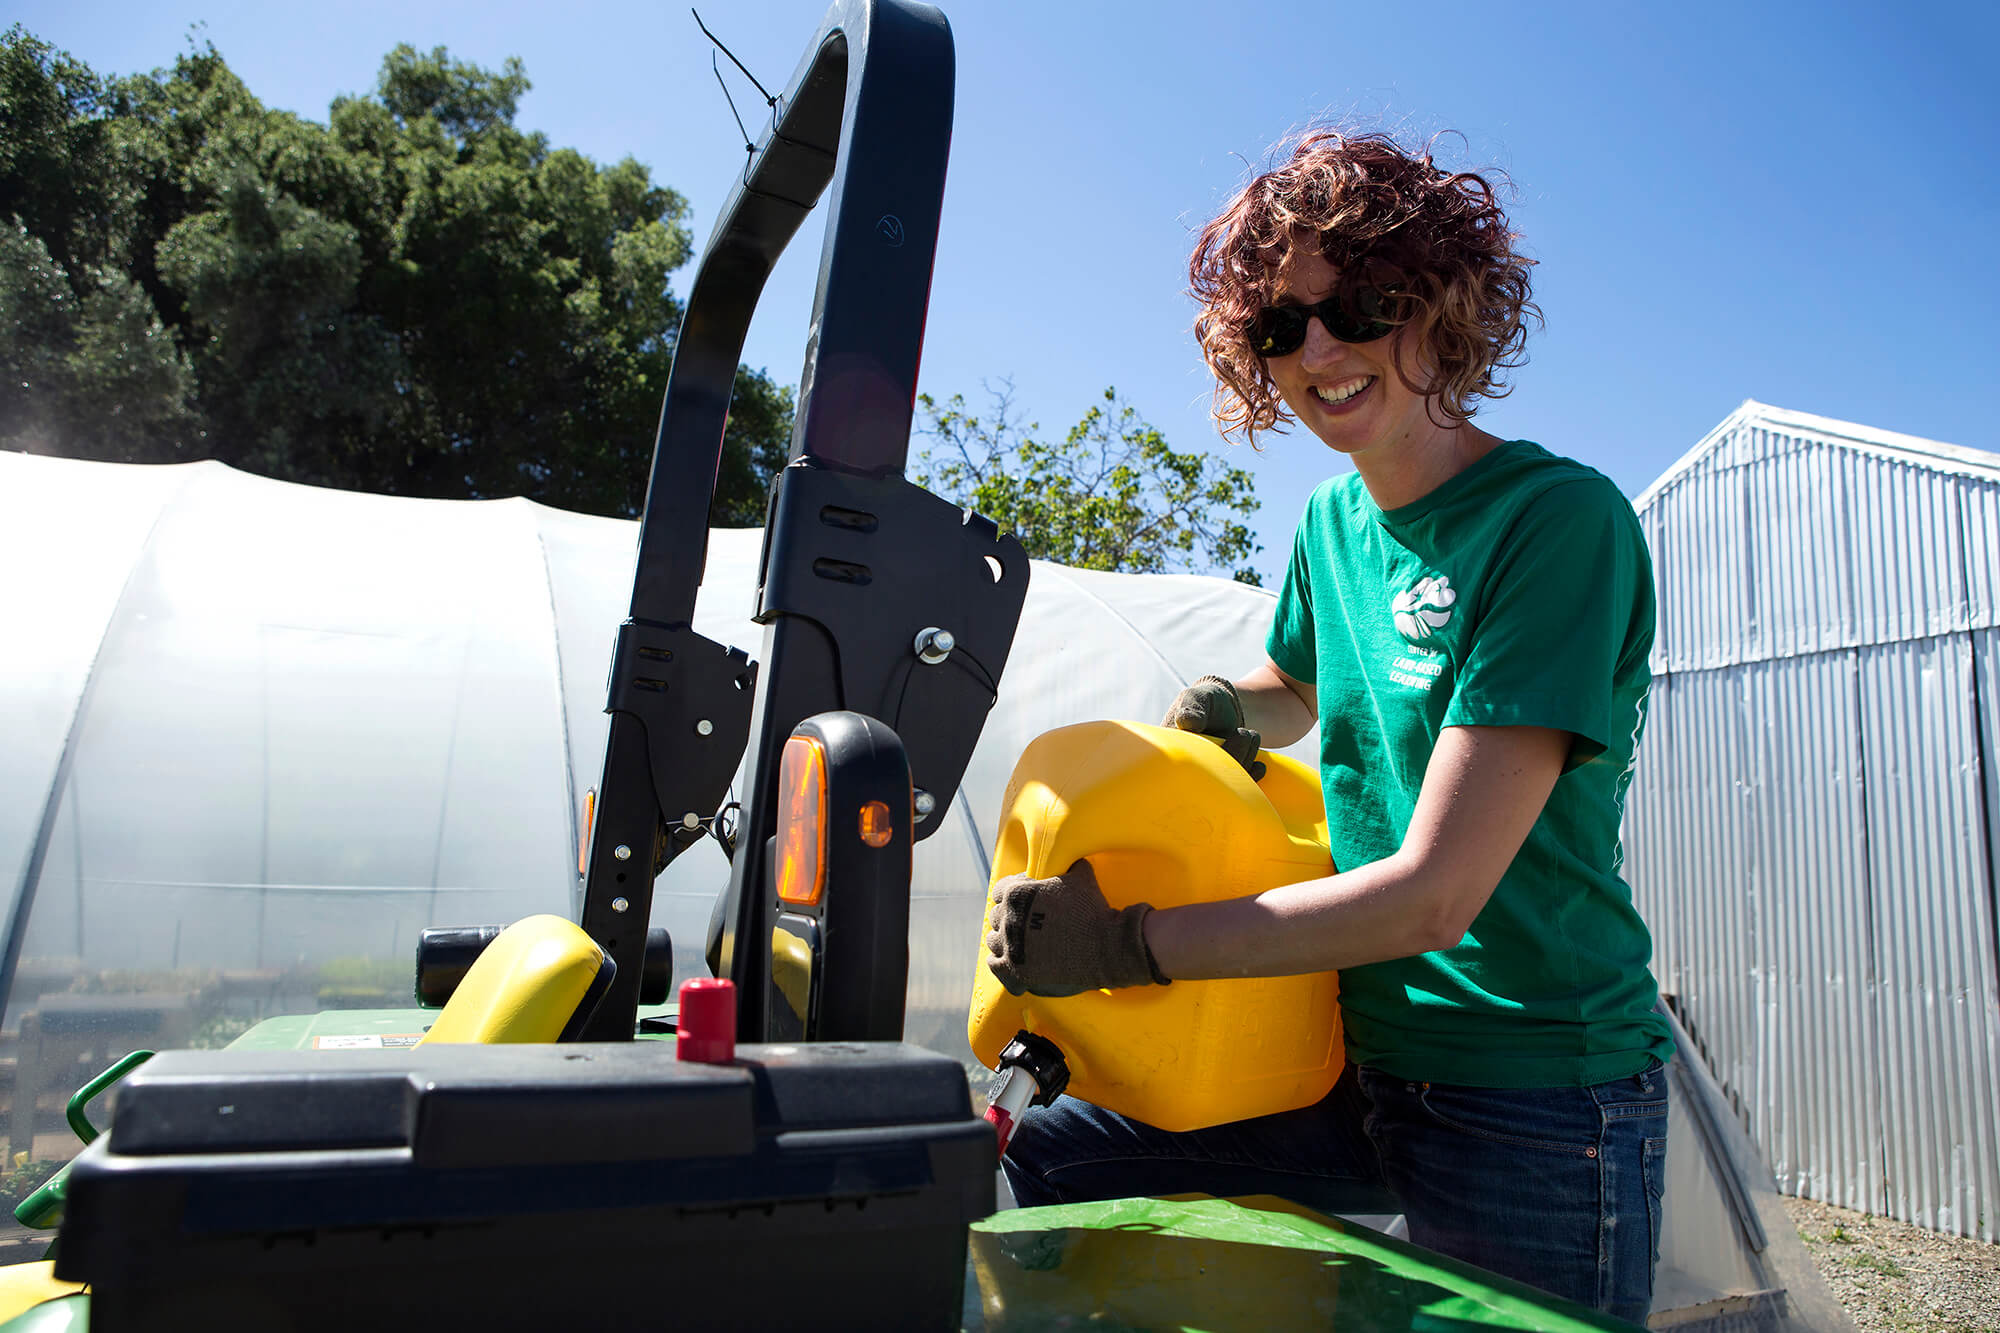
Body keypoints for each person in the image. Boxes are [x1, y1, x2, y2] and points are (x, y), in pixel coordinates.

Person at [982, 129, 1673, 1324]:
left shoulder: (1556, 524)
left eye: (1362, 304)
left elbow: (1431, 897)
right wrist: (1214, 717)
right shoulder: (1330, 523)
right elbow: (1289, 694)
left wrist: (1130, 943)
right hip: (1348, 1051)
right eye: (1276, 328)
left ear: (1446, 309)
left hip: (1533, 1086)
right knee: (1048, 1159)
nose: (1318, 350)